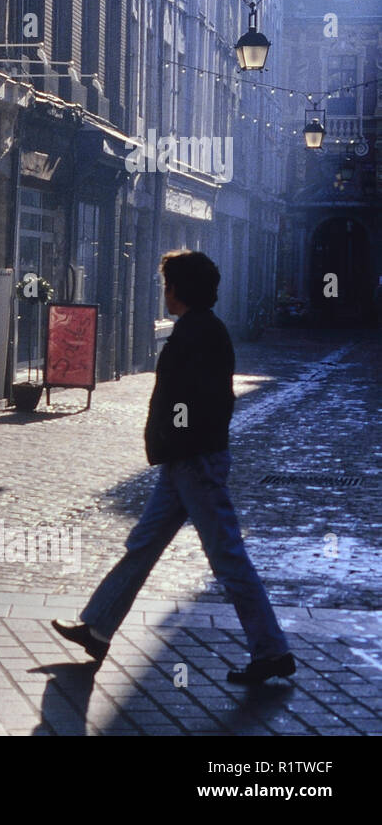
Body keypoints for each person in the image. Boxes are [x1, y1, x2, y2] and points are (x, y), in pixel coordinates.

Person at [53, 250, 295, 686]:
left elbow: (196, 401)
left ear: (179, 289)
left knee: (227, 557)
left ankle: (272, 650)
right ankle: (97, 627)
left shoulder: (198, 333)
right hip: (185, 460)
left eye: (167, 284)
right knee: (143, 543)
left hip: (193, 461)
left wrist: (175, 436)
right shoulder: (201, 329)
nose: (164, 291)